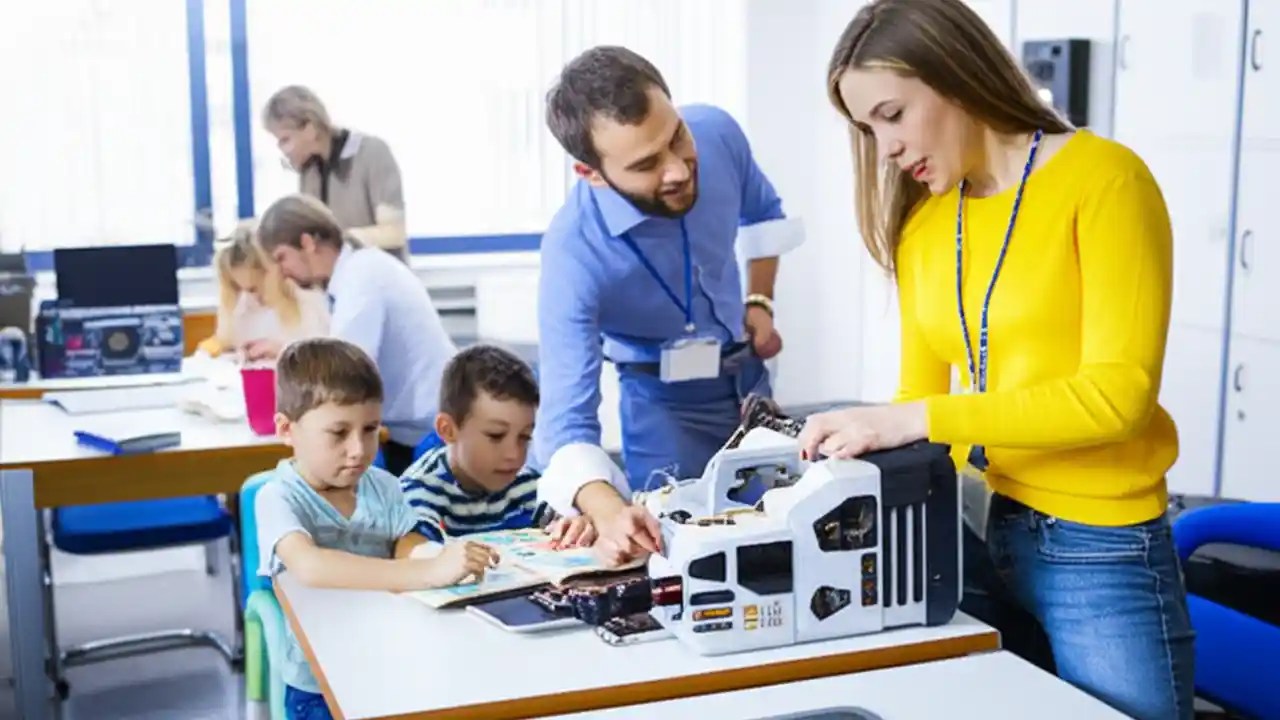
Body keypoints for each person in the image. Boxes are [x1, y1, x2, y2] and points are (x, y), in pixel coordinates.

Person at [804, 1, 1194, 718]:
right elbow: (922, 414)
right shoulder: (925, 225)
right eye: (867, 129)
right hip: (982, 532)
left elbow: (1118, 397)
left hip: (1100, 550)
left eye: (891, 114)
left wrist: (908, 418)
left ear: (952, 74)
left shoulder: (1104, 180)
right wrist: (827, 492)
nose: (883, 147)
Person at [533, 46, 804, 559]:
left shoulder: (717, 133)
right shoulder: (573, 253)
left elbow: (764, 213)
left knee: (786, 537)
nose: (678, 169)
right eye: (646, 164)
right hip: (663, 406)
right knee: (688, 554)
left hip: (750, 380)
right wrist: (610, 511)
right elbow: (565, 424)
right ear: (590, 173)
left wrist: (759, 300)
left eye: (676, 136)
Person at [254, 338, 498, 720]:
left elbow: (405, 540)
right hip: (320, 683)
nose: (358, 449)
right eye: (338, 433)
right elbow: (310, 567)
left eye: (369, 430)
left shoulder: (382, 484)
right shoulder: (277, 497)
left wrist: (438, 557)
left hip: (390, 659)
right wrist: (424, 571)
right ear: (287, 430)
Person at [253, 194, 458, 476]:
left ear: (307, 243)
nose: (283, 272)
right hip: (416, 431)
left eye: (281, 258)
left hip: (431, 439)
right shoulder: (355, 272)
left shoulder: (362, 278)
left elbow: (343, 375)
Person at [400, 344, 595, 545]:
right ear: (448, 430)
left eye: (524, 437)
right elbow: (417, 556)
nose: (514, 455)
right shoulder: (420, 492)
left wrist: (576, 527)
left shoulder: (526, 485)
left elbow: (562, 523)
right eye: (496, 435)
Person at [263, 85, 410, 262]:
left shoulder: (372, 153)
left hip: (382, 279)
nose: (283, 150)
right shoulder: (309, 172)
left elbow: (393, 233)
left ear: (310, 128)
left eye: (285, 139)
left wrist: (334, 242)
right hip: (341, 282)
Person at [196, 221, 329, 358]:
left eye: (254, 288)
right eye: (238, 289)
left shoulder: (308, 302)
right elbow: (226, 343)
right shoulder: (243, 307)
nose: (248, 297)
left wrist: (282, 351)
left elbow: (327, 360)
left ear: (274, 271)